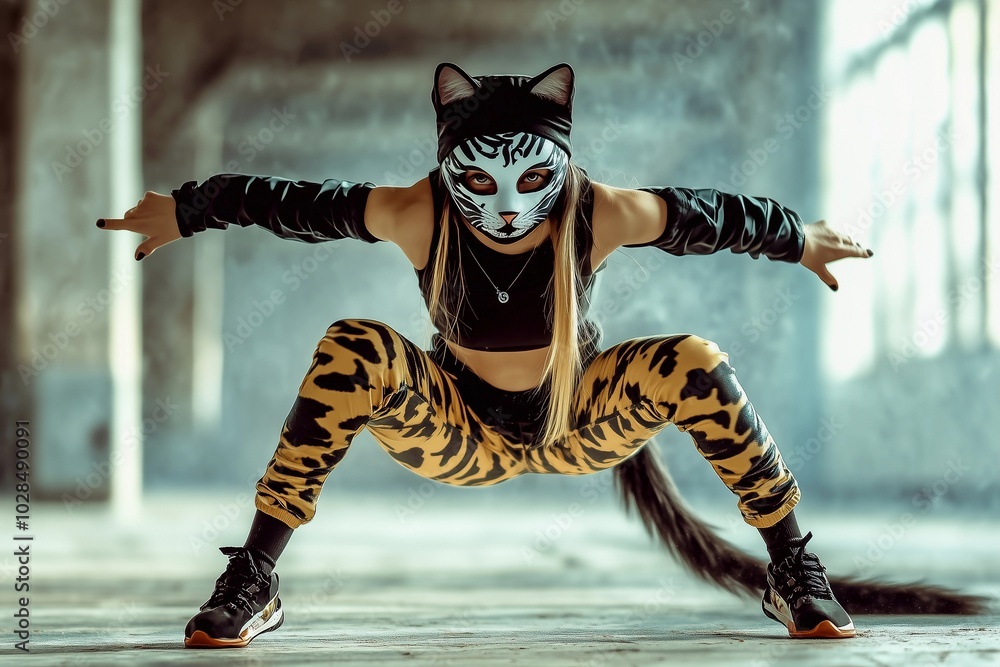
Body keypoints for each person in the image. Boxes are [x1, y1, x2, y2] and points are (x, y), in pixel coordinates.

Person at [98, 62, 982, 648]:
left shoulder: (597, 208)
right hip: (459, 435)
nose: (510, 208)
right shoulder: (421, 211)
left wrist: (798, 238)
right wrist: (190, 207)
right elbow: (293, 202)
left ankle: (792, 566)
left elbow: (706, 215)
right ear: (450, 167)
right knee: (351, 350)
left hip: (577, 424)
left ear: (561, 164)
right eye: (480, 180)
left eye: (531, 180)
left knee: (693, 357)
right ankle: (256, 574)